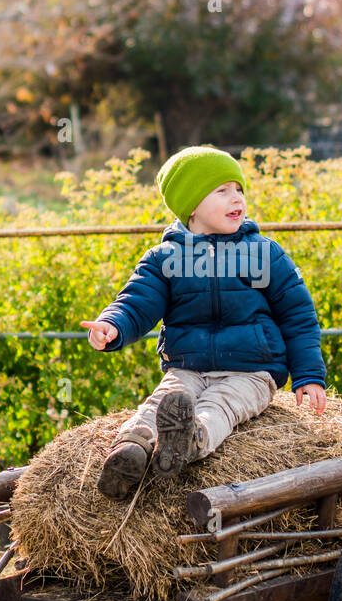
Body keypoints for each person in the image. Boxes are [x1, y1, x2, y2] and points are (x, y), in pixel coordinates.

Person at [81, 145, 327, 500]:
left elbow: (298, 317)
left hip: (251, 371)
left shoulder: (264, 253)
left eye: (239, 189)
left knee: (221, 406)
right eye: (222, 190)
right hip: (188, 367)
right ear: (192, 205)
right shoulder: (164, 258)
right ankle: (129, 450)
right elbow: (137, 302)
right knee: (163, 401)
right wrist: (112, 326)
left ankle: (192, 440)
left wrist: (308, 376)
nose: (236, 198)